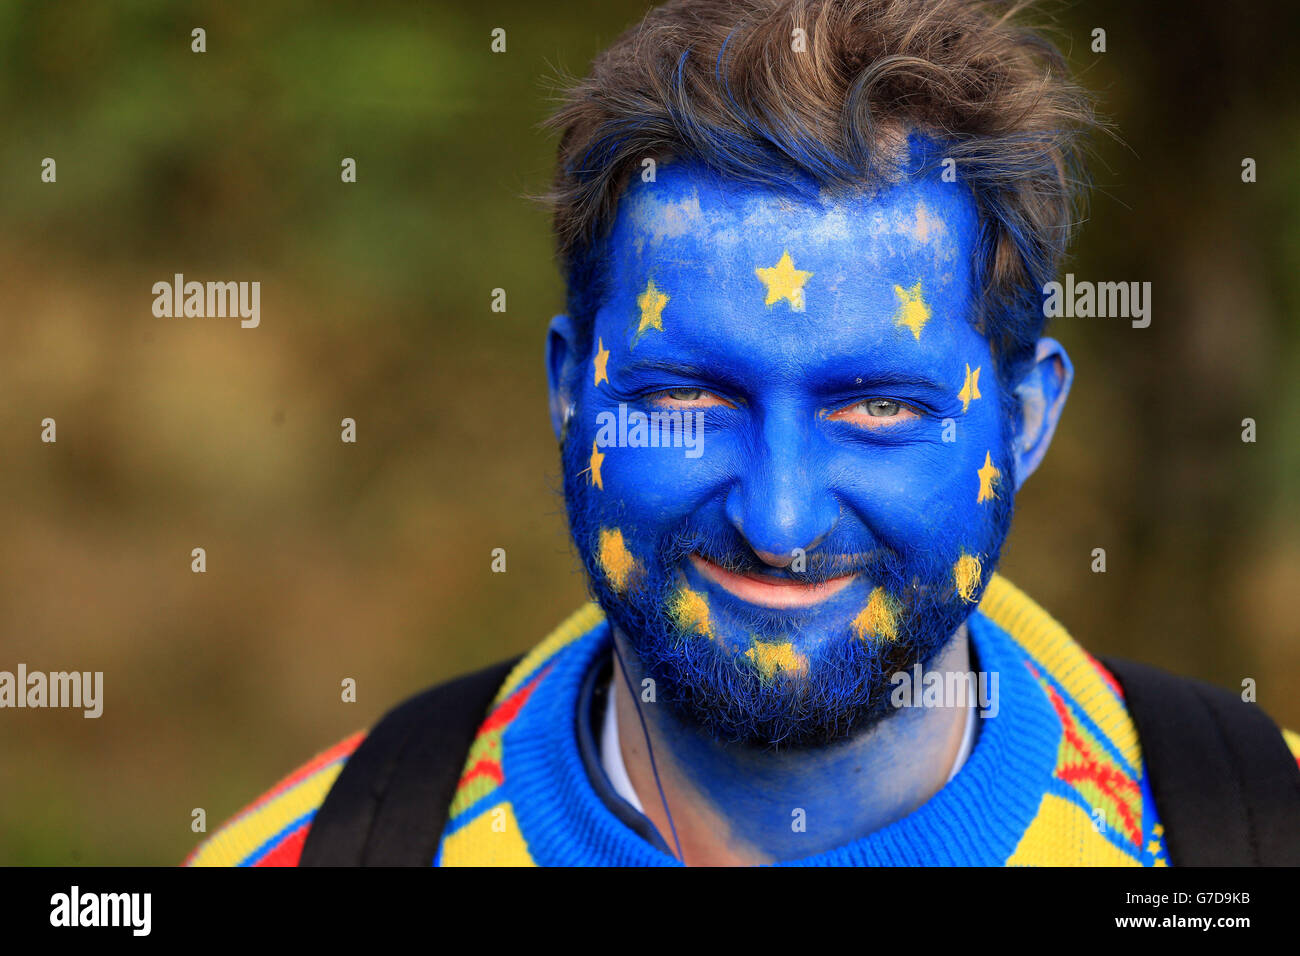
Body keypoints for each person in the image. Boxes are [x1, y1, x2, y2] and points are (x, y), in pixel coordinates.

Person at [186, 0, 1300, 868]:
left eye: (877, 405)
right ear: (571, 392)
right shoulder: (310, 853)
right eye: (689, 397)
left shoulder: (1250, 836)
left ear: (1022, 419)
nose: (777, 520)